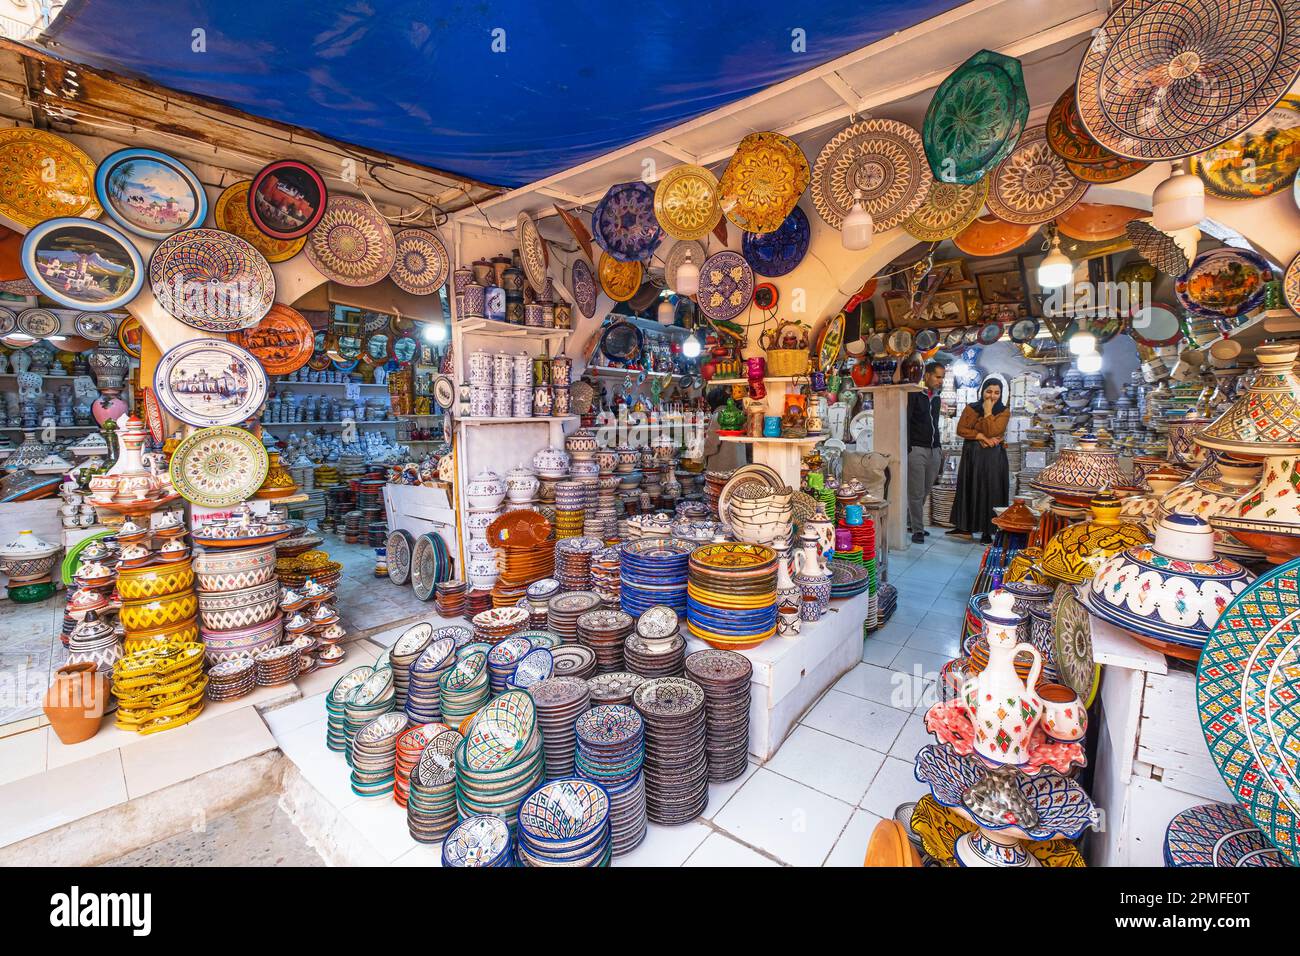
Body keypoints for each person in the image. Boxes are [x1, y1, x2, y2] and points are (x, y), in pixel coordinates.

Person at [948, 377, 1011, 543]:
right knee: (968, 488)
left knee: (990, 490)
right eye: (989, 391)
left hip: (992, 458)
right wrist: (980, 435)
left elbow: (994, 432)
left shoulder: (1004, 411)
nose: (992, 396)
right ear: (982, 391)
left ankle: (987, 532)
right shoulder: (971, 408)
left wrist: (988, 412)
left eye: (997, 392)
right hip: (972, 455)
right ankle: (965, 527)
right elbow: (961, 429)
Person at [906, 361, 946, 544]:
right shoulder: (914, 395)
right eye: (938, 377)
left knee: (926, 488)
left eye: (942, 378)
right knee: (915, 491)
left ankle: (909, 522)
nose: (940, 381)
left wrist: (939, 448)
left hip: (934, 449)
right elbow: (906, 421)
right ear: (927, 375)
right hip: (917, 448)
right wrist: (908, 447)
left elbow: (935, 424)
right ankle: (917, 529)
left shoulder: (936, 398)